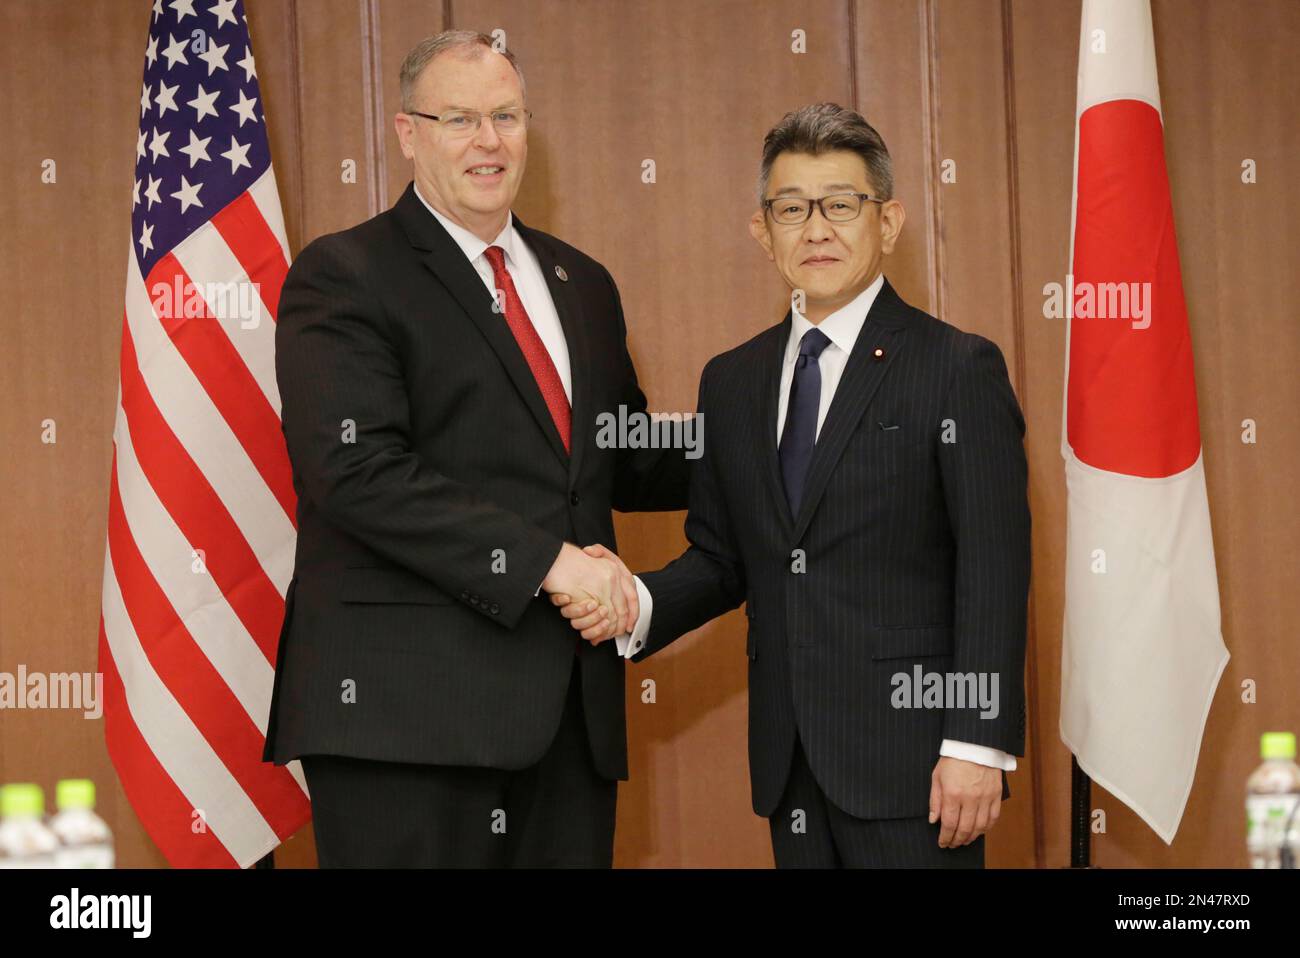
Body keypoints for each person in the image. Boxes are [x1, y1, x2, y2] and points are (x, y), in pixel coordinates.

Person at [557, 103, 1031, 868]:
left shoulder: (956, 368)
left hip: (920, 766)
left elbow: (994, 569)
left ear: (889, 221)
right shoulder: (734, 380)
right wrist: (634, 603)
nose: (817, 230)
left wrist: (978, 740)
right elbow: (721, 558)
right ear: (762, 230)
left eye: (842, 205)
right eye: (792, 208)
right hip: (791, 766)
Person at [263, 30, 686, 867]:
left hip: (566, 717)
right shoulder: (345, 273)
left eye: (506, 116)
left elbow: (619, 454)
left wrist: (773, 428)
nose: (489, 141)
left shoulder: (583, 282)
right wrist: (553, 563)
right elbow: (356, 471)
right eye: (459, 118)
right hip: (405, 724)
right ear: (407, 131)